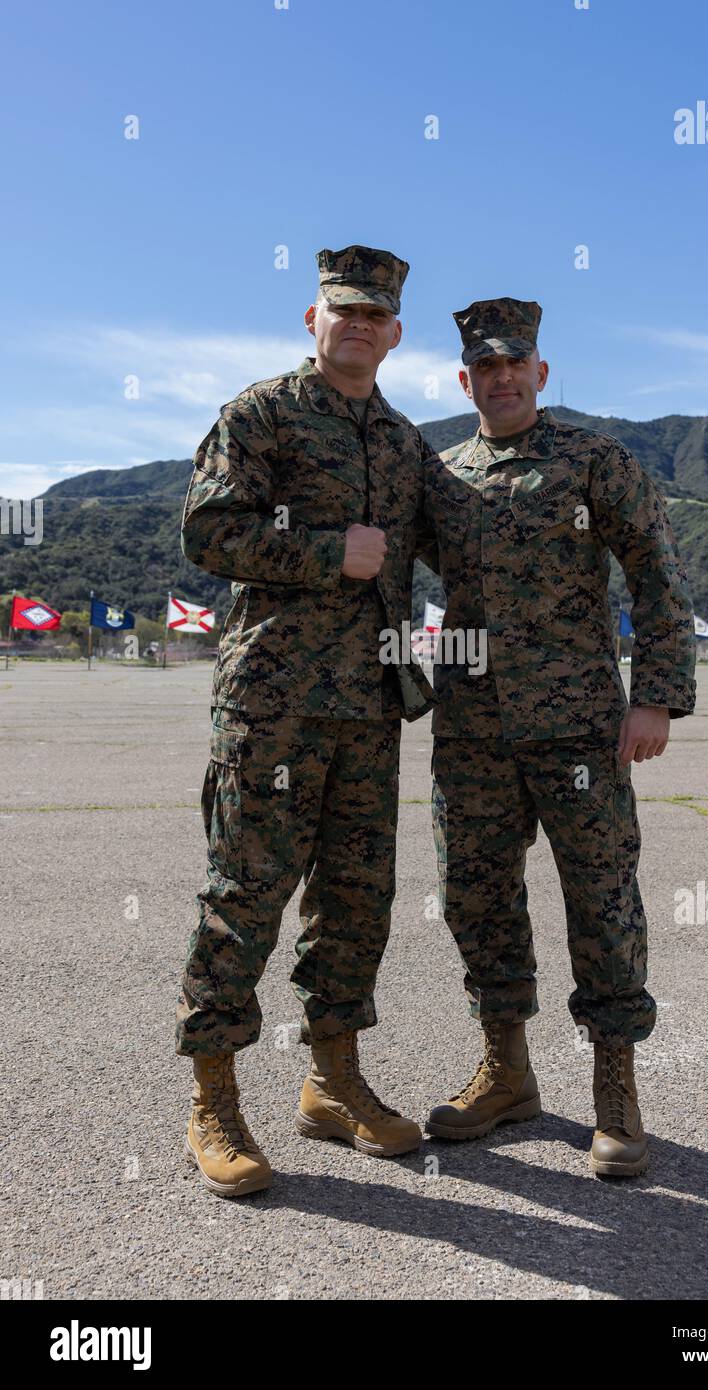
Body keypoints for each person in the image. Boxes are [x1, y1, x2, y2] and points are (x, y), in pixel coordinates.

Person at [175, 245, 436, 1197]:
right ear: (312, 320)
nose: (358, 325)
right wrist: (331, 551)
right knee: (244, 896)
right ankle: (214, 1100)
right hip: (274, 702)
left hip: (370, 706)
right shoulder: (261, 414)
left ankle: (332, 1084)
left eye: (374, 315)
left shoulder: (405, 444)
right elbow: (207, 532)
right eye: (342, 311)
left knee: (356, 902)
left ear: (394, 332)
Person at [423, 297, 696, 1177]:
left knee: (601, 899)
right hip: (471, 727)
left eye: (516, 367)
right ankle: (506, 1071)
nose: (500, 380)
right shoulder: (441, 474)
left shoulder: (591, 459)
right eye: (484, 370)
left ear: (539, 374)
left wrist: (654, 696)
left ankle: (614, 1089)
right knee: (475, 896)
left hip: (579, 724)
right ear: (465, 381)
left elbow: (655, 568)